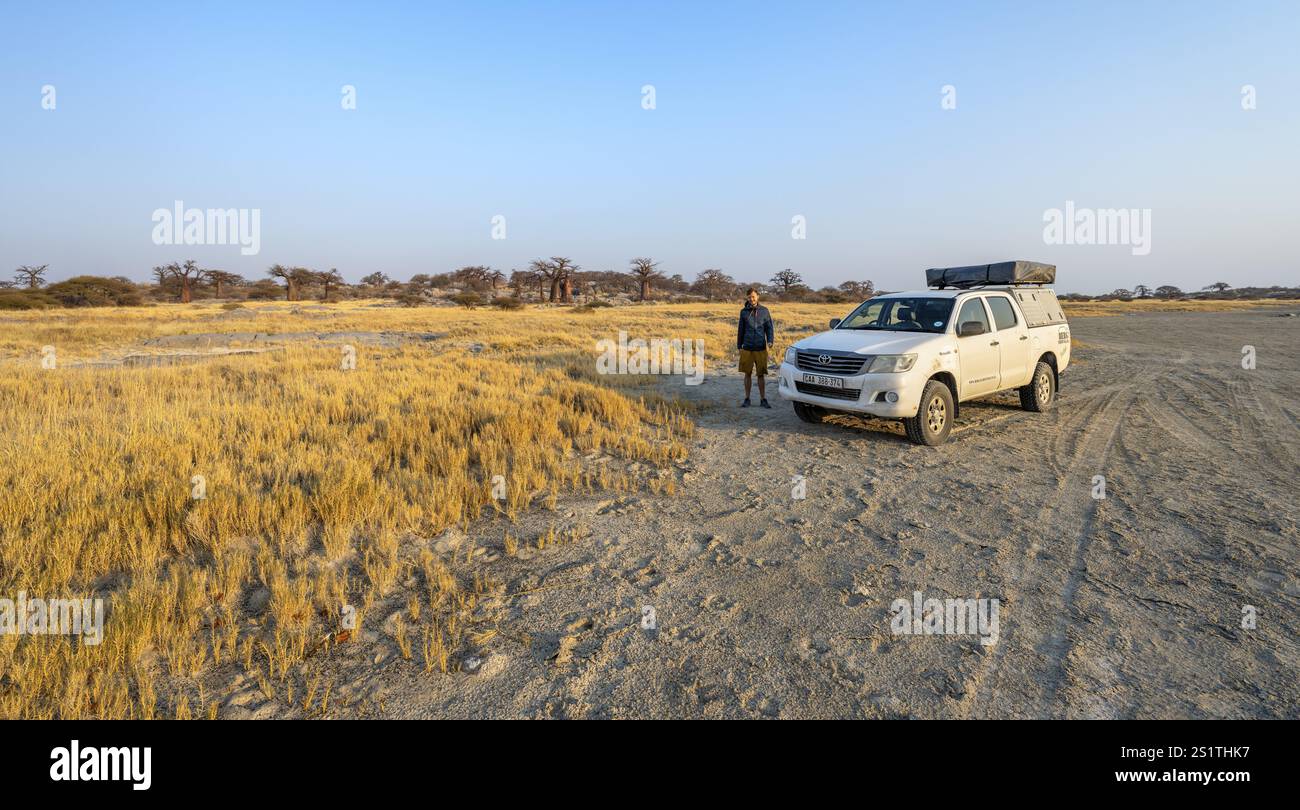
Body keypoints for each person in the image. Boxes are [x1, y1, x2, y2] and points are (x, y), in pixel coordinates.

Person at [736, 288, 774, 408]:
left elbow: (769, 327)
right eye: (749, 297)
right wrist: (739, 345)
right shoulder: (743, 312)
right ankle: (747, 399)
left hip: (760, 347)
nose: (751, 299)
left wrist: (770, 341)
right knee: (747, 374)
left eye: (753, 297)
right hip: (747, 347)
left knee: (761, 374)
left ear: (757, 297)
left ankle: (763, 399)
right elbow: (740, 330)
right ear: (747, 298)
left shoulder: (765, 311)